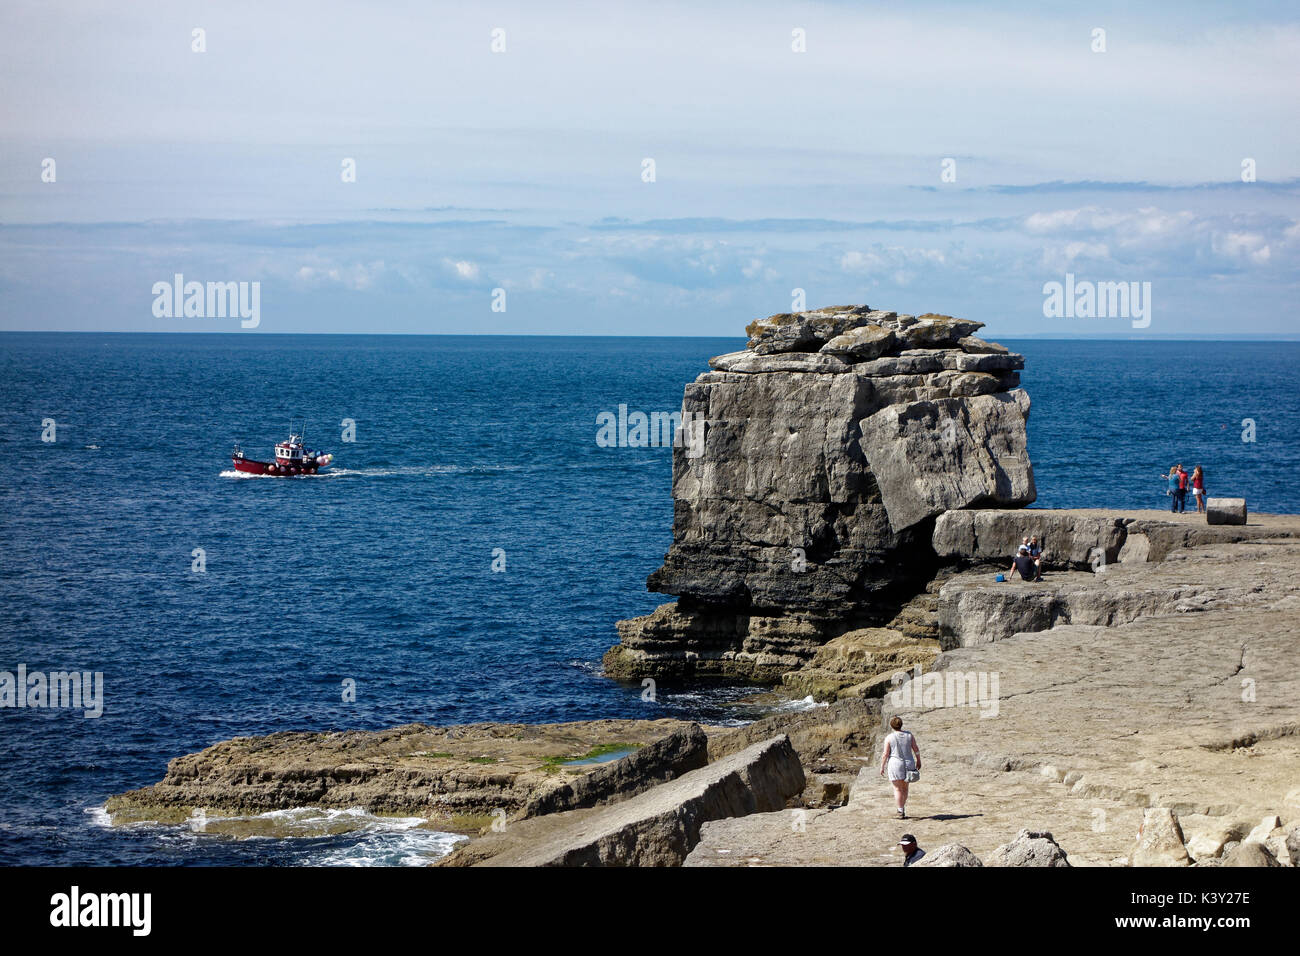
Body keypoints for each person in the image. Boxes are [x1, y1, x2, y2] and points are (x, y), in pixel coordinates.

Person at [880, 715, 922, 819]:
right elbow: (915, 748)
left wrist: (882, 766)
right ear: (901, 724)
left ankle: (900, 810)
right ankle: (902, 807)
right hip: (909, 763)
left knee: (897, 789)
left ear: (892, 726)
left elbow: (885, 754)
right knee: (905, 788)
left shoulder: (889, 737)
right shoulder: (909, 735)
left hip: (895, 764)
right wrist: (918, 760)